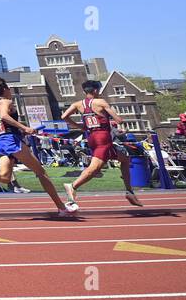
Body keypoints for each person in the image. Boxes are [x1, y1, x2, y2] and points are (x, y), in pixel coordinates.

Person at [0, 78, 71, 216]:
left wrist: (19, 131)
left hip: (2, 140)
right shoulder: (6, 102)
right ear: (6, 89)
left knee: (4, 177)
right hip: (10, 141)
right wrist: (24, 127)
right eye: (9, 89)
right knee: (41, 172)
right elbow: (4, 116)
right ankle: (61, 208)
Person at [59, 79, 142, 210]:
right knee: (94, 168)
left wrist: (80, 127)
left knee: (125, 159)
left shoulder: (77, 104)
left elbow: (64, 116)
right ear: (96, 90)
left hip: (92, 137)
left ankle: (129, 191)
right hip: (103, 137)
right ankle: (73, 186)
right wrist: (115, 119)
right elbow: (119, 120)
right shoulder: (101, 102)